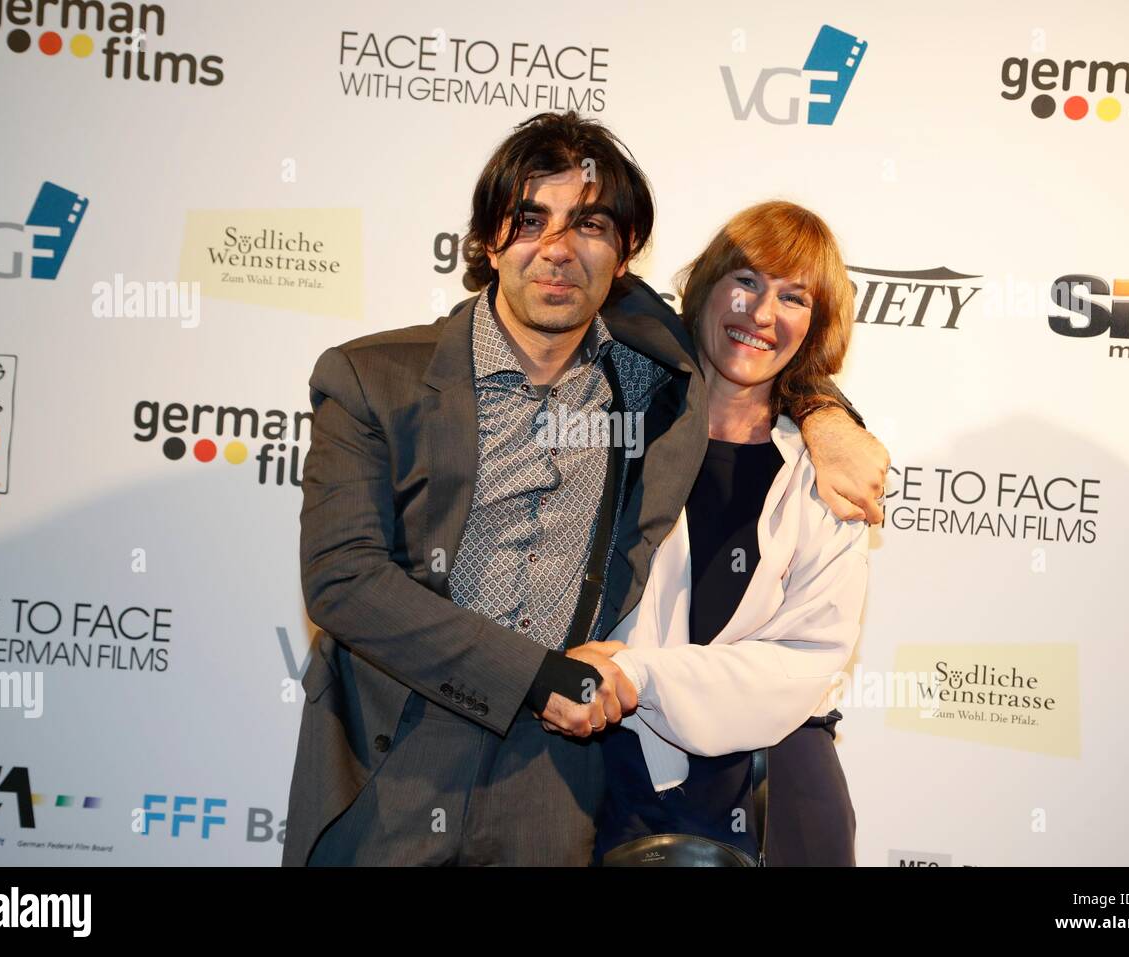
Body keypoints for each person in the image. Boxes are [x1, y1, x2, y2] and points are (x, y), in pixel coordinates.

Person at [281, 111, 888, 866]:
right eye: (531, 219)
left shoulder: (646, 381)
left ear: (626, 254)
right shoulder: (374, 377)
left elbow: (760, 354)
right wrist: (534, 676)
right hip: (393, 756)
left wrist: (828, 414)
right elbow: (343, 579)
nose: (559, 249)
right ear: (489, 240)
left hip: (556, 782)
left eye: (591, 224)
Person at [591, 201, 867, 866]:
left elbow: (805, 656)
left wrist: (637, 672)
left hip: (781, 794)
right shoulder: (616, 423)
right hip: (615, 774)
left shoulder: (831, 473)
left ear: (817, 323)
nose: (763, 314)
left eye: (794, 296)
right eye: (745, 280)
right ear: (705, 285)